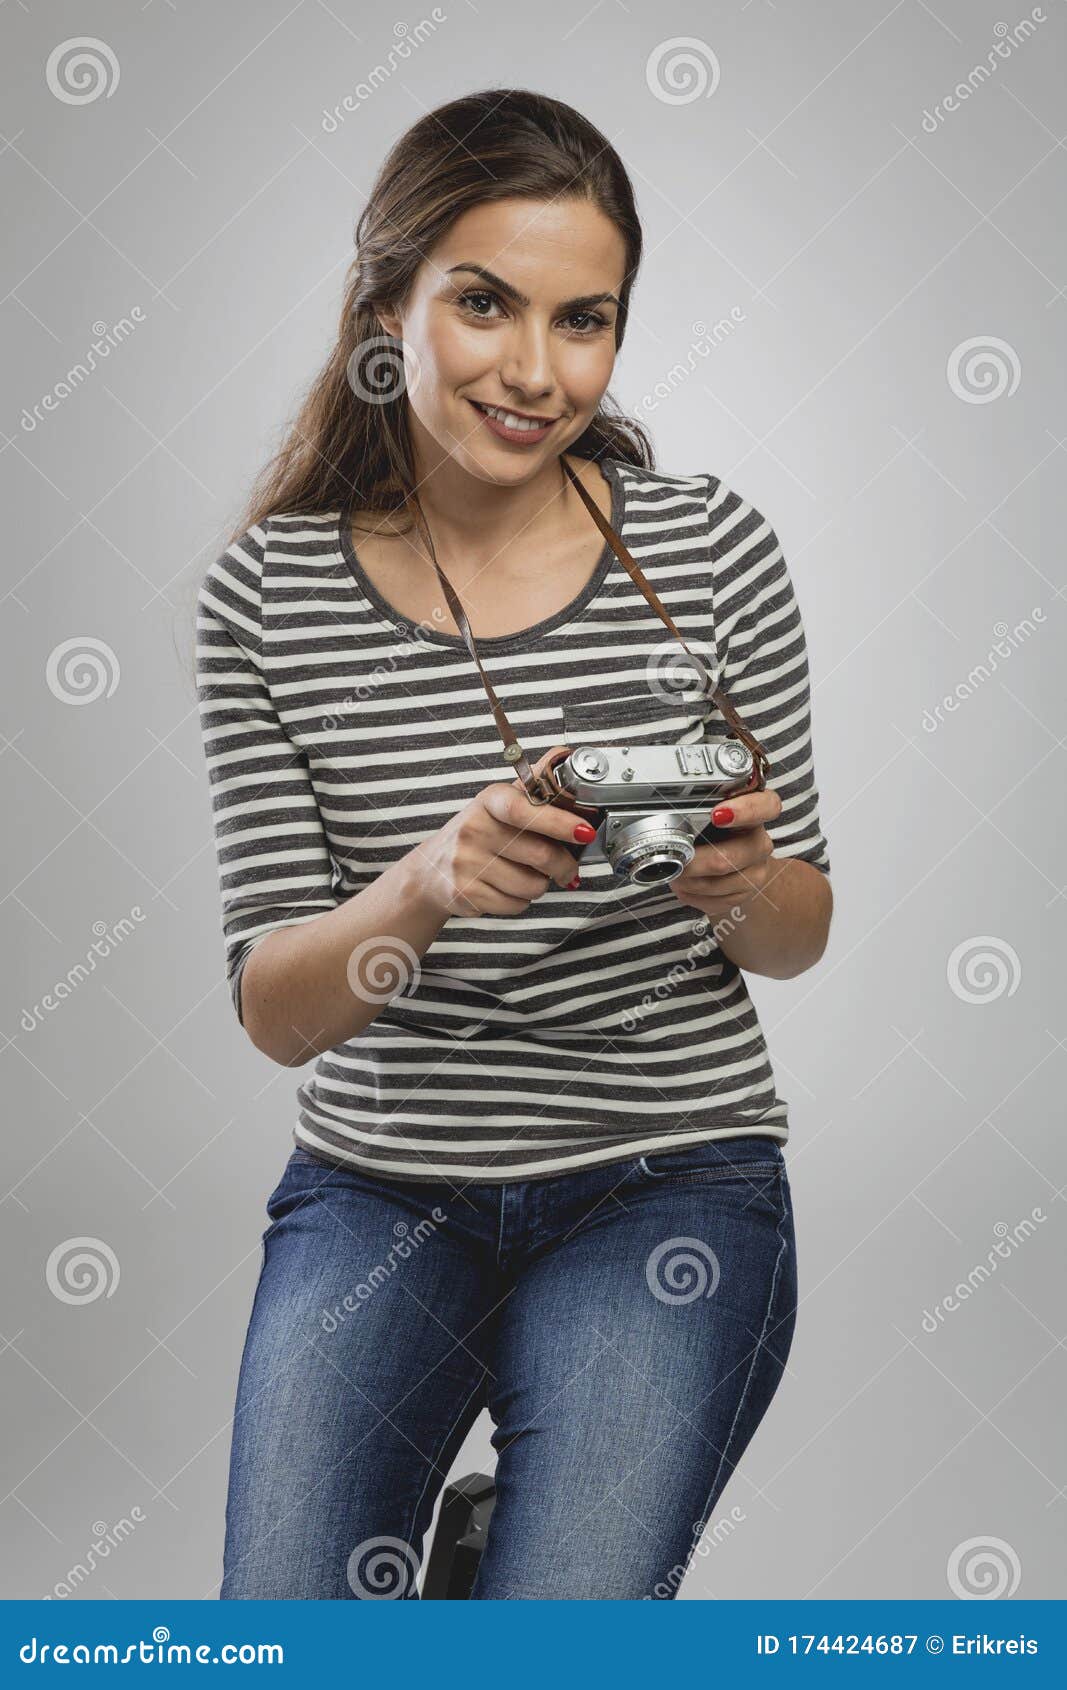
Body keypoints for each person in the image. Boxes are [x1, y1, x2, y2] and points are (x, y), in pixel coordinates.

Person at [196, 88, 833, 1600]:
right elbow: (276, 1011)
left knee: (556, 1642)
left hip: (669, 1181)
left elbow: (801, 930)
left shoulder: (712, 547)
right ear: (389, 306)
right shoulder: (268, 596)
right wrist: (426, 884)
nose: (537, 372)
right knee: (282, 1644)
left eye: (584, 320)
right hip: (382, 1188)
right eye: (483, 304)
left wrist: (740, 882)